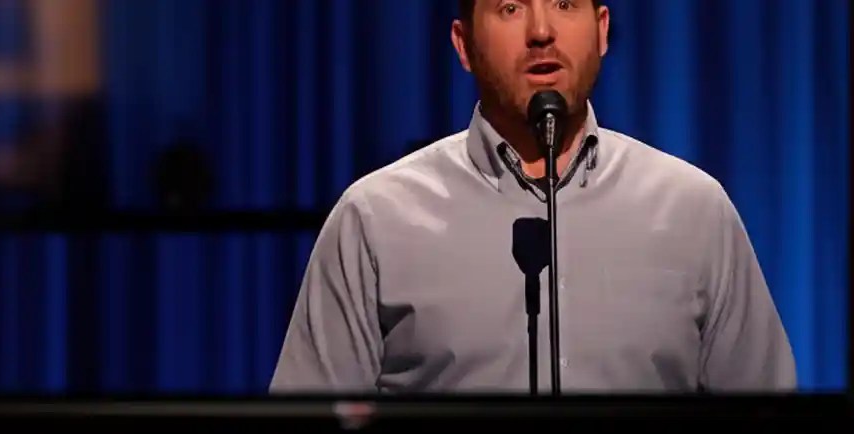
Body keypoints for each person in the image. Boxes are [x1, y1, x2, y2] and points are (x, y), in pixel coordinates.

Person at [270, 0, 796, 395]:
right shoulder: (376, 217)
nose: (542, 32)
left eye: (566, 4)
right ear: (463, 45)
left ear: (602, 30)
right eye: (510, 7)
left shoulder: (693, 209)